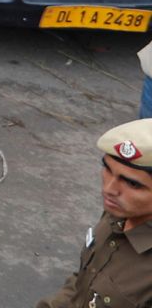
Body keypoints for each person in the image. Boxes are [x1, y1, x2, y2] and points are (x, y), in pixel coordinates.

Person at [38, 117, 152, 308]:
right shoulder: (119, 212)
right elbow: (84, 281)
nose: (109, 189)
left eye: (132, 183)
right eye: (107, 169)